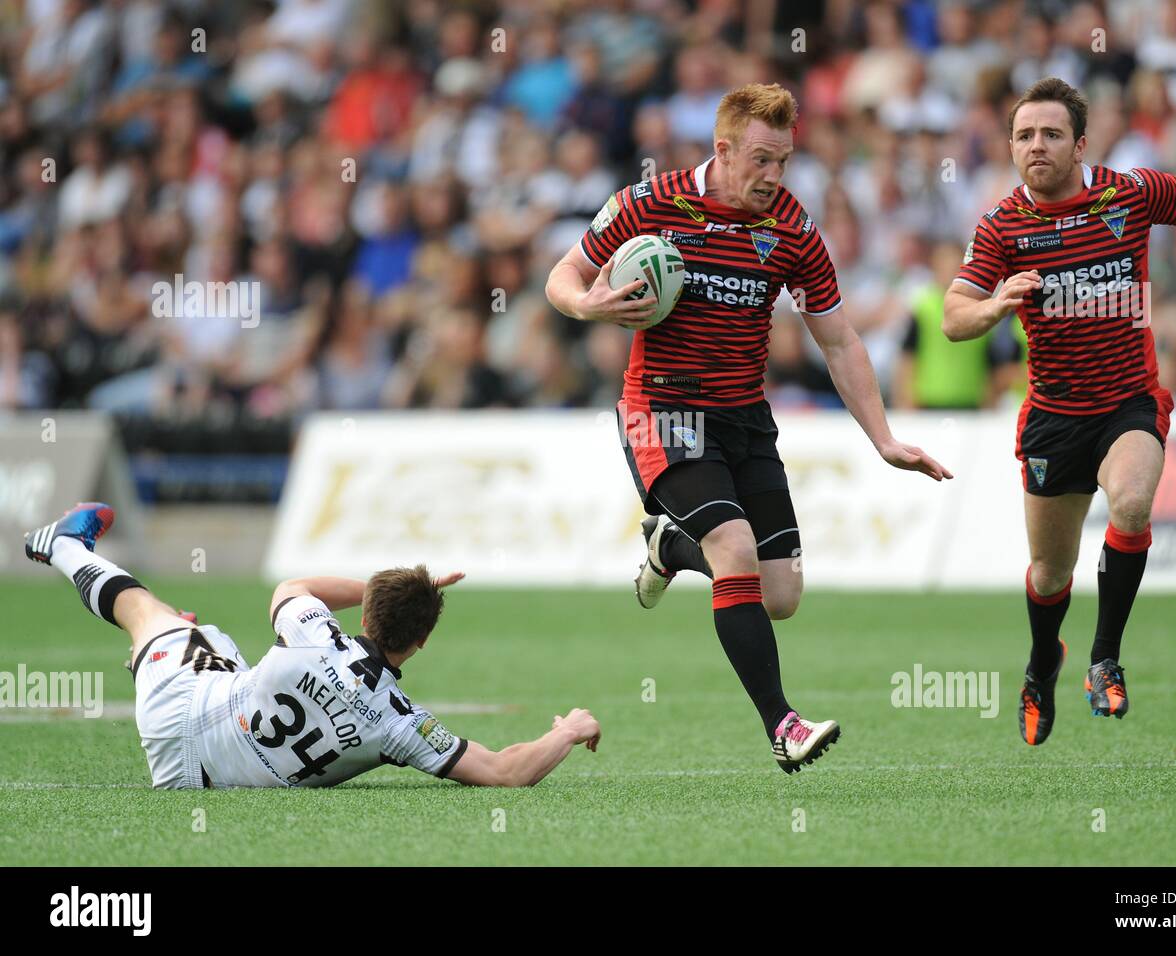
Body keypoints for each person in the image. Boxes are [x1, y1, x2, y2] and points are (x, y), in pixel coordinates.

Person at [545, 83, 951, 773]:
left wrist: (884, 439)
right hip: (663, 410)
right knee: (733, 546)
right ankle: (783, 726)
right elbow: (565, 272)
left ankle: (672, 549)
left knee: (781, 595)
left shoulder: (792, 228)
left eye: (784, 161)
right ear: (723, 148)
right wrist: (587, 305)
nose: (773, 175)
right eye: (761, 159)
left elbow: (842, 340)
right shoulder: (650, 203)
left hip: (745, 419)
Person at [944, 77, 1176, 745]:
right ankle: (1044, 663)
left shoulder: (1126, 194)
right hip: (1052, 414)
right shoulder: (1001, 225)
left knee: (1131, 503)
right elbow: (957, 315)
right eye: (1023, 135)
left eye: (1049, 134)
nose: (1035, 146)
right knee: (1051, 572)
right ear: (1010, 147)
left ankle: (1105, 658)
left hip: (1129, 400)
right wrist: (996, 305)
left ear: (1079, 144)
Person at [24, 502, 601, 789]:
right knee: (206, 640)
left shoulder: (311, 627)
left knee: (145, 612)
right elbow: (504, 772)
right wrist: (567, 730)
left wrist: (376, 584)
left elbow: (291, 587)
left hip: (178, 708)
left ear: (367, 609)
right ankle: (182, 638)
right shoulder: (401, 725)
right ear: (422, 642)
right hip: (186, 780)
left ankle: (66, 547)